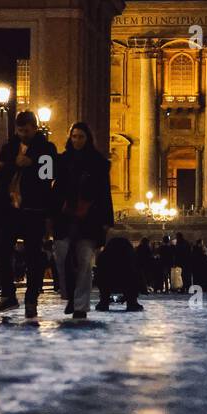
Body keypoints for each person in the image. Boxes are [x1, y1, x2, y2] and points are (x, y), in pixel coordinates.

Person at [0, 111, 58, 319]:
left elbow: (49, 175)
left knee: (34, 255)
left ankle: (31, 299)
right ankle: (8, 294)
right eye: (20, 131)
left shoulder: (46, 148)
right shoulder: (9, 147)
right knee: (1, 250)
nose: (23, 135)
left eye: (27, 131)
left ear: (35, 128)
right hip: (8, 208)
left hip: (33, 209)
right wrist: (9, 164)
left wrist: (32, 164)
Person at [51, 123, 114, 320]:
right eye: (74, 136)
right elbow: (51, 187)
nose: (77, 140)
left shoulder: (99, 163)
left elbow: (105, 193)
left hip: (89, 220)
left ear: (88, 139)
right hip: (64, 217)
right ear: (70, 138)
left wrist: (106, 221)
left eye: (81, 137)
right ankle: (70, 295)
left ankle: (80, 306)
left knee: (85, 263)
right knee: (61, 258)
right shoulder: (60, 161)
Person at [94, 235, 144, 311]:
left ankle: (104, 301)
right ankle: (132, 302)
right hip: (127, 283)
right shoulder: (131, 257)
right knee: (134, 274)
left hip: (108, 283)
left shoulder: (104, 256)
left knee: (102, 274)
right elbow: (138, 272)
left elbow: (98, 269)